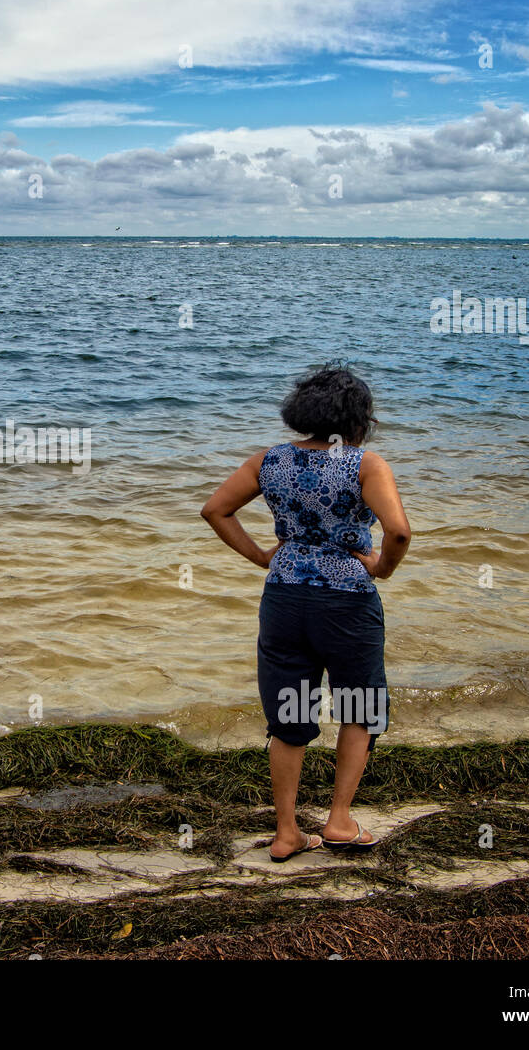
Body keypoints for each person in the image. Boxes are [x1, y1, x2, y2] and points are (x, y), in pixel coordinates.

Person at [201, 363, 411, 861]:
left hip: (285, 598)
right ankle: (339, 821)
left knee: (290, 712)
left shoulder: (268, 461)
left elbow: (215, 510)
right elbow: (399, 531)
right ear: (360, 418)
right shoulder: (364, 464)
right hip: (347, 604)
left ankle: (287, 833)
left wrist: (260, 556)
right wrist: (381, 567)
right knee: (359, 706)